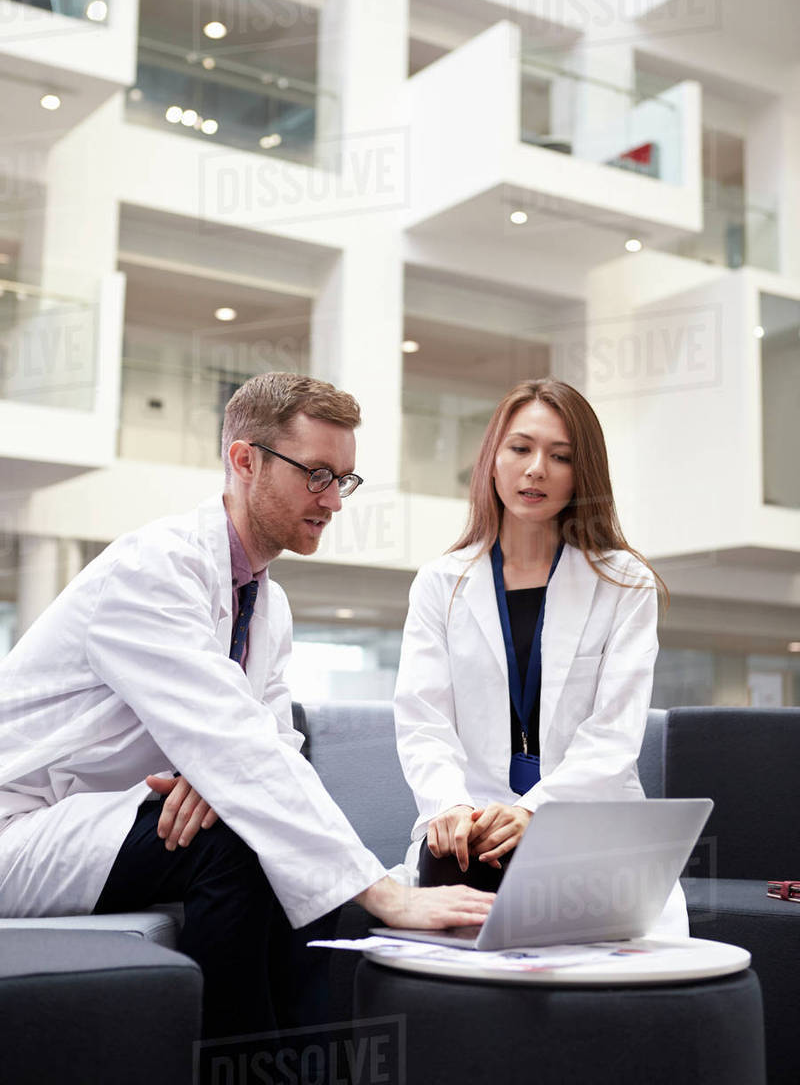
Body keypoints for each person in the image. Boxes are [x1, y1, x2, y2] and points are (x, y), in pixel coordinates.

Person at [0, 372, 492, 1044]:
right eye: (317, 474)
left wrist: (218, 778)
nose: (334, 502)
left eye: (343, 479)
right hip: (20, 827)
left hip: (109, 816)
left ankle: (303, 1057)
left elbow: (270, 745)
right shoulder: (154, 569)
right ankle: (240, 1063)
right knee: (243, 834)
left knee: (262, 823)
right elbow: (234, 740)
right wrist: (383, 892)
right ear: (244, 460)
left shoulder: (269, 602)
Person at [394, 377, 687, 935]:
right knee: (456, 913)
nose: (536, 470)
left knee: (577, 940)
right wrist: (447, 805)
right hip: (473, 824)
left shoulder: (624, 582)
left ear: (583, 474)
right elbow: (422, 717)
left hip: (584, 820)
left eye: (561, 456)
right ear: (493, 460)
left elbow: (614, 732)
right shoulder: (441, 582)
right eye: (521, 448)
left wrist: (535, 808)